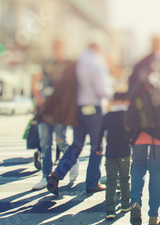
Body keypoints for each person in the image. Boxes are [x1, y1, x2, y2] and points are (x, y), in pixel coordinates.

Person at [45, 40, 113, 196]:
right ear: (97, 47)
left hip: (78, 109)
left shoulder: (78, 61)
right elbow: (101, 89)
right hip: (93, 108)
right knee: (97, 146)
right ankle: (92, 182)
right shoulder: (96, 62)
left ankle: (56, 176)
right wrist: (114, 96)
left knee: (76, 144)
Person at [127, 35, 160, 225]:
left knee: (138, 164)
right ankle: (154, 214)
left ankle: (135, 201)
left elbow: (129, 92)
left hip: (140, 125)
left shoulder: (140, 64)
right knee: (156, 168)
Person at [31, 43, 73, 190]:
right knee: (46, 144)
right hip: (47, 110)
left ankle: (72, 163)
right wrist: (39, 97)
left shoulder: (69, 65)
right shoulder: (47, 64)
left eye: (60, 47)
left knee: (61, 140)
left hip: (61, 111)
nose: (57, 50)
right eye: (56, 47)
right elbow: (35, 80)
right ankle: (45, 175)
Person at [98, 91, 133, 220]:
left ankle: (110, 209)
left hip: (110, 152)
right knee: (125, 179)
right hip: (124, 150)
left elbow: (100, 132)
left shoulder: (107, 116)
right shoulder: (126, 115)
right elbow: (131, 132)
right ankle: (125, 204)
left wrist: (97, 147)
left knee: (110, 181)